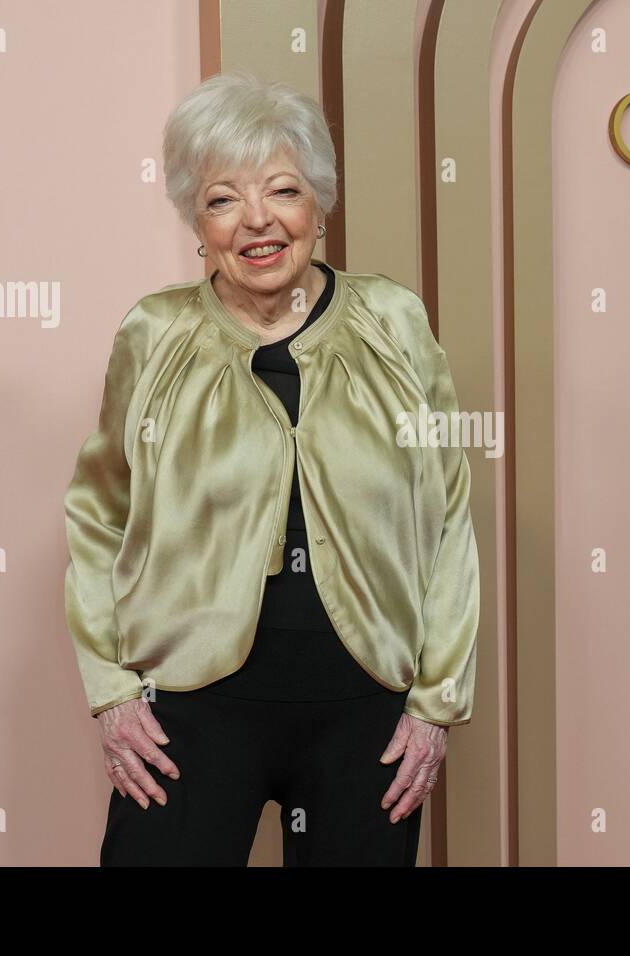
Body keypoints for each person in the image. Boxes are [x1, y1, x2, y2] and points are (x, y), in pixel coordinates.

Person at [62, 70, 480, 866]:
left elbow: (448, 513)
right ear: (197, 218)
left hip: (365, 716)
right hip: (191, 708)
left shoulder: (394, 320)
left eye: (282, 191)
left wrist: (436, 703)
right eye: (223, 199)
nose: (257, 221)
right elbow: (97, 512)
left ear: (318, 203)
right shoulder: (153, 333)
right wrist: (113, 693)